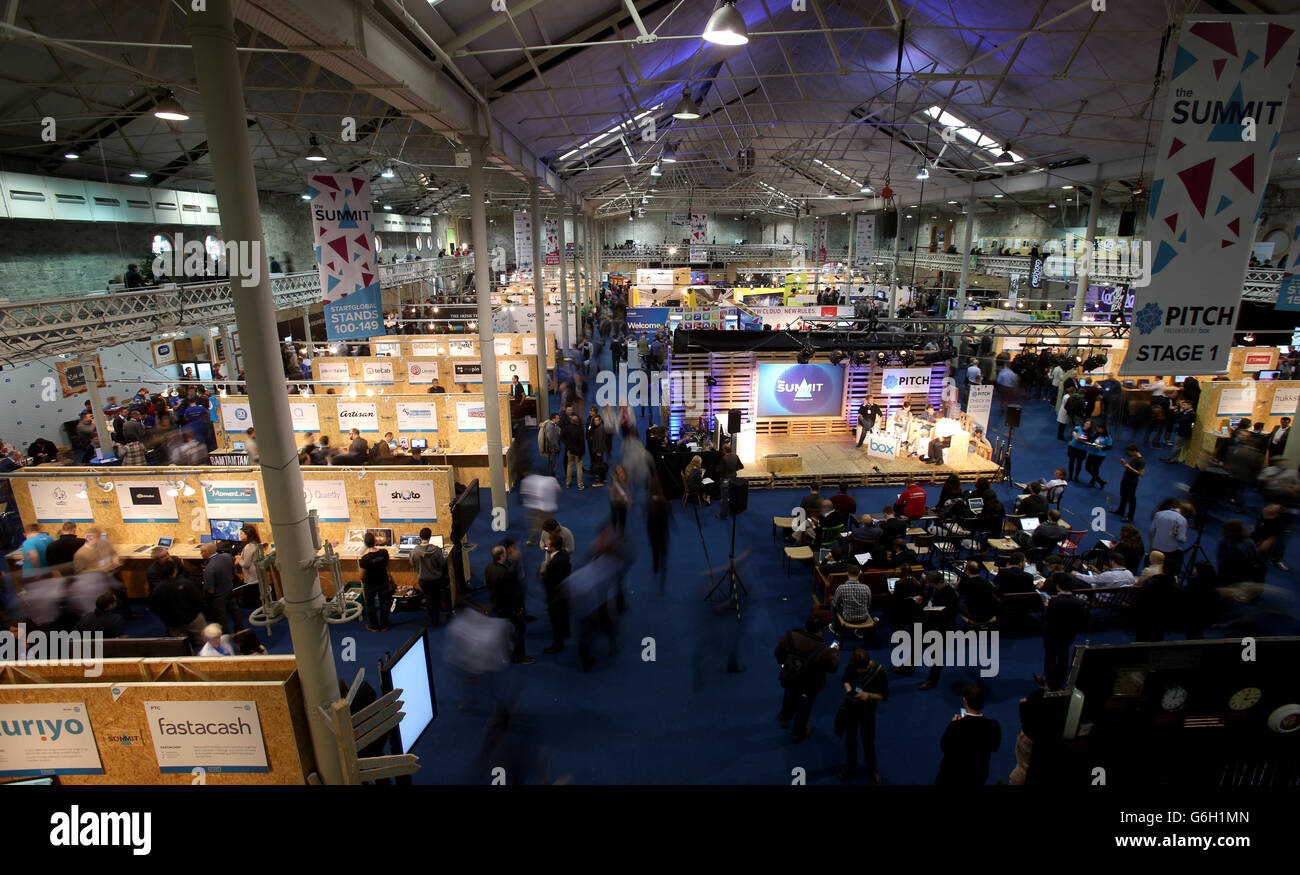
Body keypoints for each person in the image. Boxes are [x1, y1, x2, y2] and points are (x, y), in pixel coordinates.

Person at [774, 616, 841, 741]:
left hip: (790, 677)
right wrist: (834, 652)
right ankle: (798, 732)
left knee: (789, 696)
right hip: (809, 685)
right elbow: (833, 668)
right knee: (804, 707)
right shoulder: (825, 650)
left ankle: (785, 718)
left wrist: (786, 665)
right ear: (820, 631)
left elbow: (778, 652)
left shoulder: (790, 636)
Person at [837, 649, 888, 782]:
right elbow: (845, 679)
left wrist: (868, 696)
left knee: (868, 742)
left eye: (861, 670)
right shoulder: (852, 666)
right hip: (851, 708)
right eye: (857, 670)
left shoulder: (880, 673)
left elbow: (884, 695)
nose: (858, 672)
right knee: (850, 739)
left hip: (867, 711)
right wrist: (849, 690)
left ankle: (872, 768)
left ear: (867, 665)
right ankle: (850, 765)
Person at [936, 684, 1001, 785]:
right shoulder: (994, 725)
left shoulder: (956, 726)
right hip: (978, 775)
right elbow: (995, 747)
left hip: (952, 775)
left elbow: (944, 746)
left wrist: (952, 724)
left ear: (965, 701)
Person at [486, 545, 532, 664]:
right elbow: (512, 594)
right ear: (502, 556)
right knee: (520, 628)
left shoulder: (488, 568)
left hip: (496, 605)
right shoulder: (506, 574)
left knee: (503, 629)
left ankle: (505, 654)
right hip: (508, 607)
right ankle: (519, 656)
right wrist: (519, 609)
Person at [148, 566, 207, 648]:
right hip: (193, 619)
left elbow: (155, 607)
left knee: (182, 647)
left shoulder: (157, 589)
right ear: (175, 571)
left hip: (173, 623)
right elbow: (199, 601)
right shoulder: (187, 584)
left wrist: (166, 619)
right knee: (204, 643)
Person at [200, 541, 242, 634]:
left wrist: (208, 599)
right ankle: (240, 630)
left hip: (218, 597)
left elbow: (209, 589)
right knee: (235, 611)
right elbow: (233, 572)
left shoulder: (209, 568)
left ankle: (226, 637)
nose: (201, 554)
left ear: (207, 553)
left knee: (221, 618)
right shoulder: (227, 556)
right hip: (229, 589)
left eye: (202, 552)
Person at [410, 527, 449, 627]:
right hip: (435, 580)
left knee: (429, 598)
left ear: (420, 537)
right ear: (430, 537)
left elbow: (412, 563)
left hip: (423, 581)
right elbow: (442, 563)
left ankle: (432, 617)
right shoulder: (436, 550)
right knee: (434, 599)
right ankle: (435, 621)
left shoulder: (414, 552)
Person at [540, 533, 571, 654]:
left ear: (553, 547)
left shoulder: (553, 564)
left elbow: (548, 581)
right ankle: (566, 633)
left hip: (555, 596)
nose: (546, 547)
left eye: (548, 545)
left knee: (556, 621)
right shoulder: (564, 553)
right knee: (564, 614)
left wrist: (542, 574)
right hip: (565, 590)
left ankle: (558, 645)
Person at [358, 531, 391, 632]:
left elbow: (361, 575)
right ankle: (384, 625)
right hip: (383, 581)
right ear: (376, 540)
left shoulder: (364, 559)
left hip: (370, 584)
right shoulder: (384, 553)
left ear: (365, 544)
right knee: (385, 603)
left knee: (370, 604)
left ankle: (374, 626)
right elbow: (387, 565)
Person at [1149, 498, 1188, 578]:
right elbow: (1180, 538)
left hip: (1156, 547)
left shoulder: (1159, 514)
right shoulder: (1182, 519)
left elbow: (1152, 531)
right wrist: (1184, 538)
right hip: (1171, 551)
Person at [521, 470, 561, 546]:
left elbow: (532, 495)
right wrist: (554, 499)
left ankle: (535, 540)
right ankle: (553, 540)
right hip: (550, 507)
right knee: (549, 525)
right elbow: (559, 490)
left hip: (539, 508)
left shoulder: (528, 481)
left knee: (538, 525)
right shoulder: (552, 480)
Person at [1216, 519, 1260, 586]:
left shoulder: (1223, 541)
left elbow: (1221, 562)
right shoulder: (1250, 543)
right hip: (1243, 576)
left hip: (1232, 575)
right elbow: (1255, 559)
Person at [1252, 503, 1291, 574]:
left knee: (1263, 555)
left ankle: (1261, 565)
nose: (1268, 509)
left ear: (1276, 514)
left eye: (1271, 509)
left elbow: (1273, 538)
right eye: (1269, 507)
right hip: (1259, 535)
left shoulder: (1278, 524)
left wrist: (1267, 542)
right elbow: (1257, 529)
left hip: (1268, 538)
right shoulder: (1264, 513)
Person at [830, 566, 872, 631]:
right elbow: (868, 605)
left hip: (848, 618)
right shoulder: (866, 588)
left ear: (847, 573)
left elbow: (836, 603)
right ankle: (860, 632)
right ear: (859, 574)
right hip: (864, 618)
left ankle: (835, 628)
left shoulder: (841, 588)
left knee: (832, 603)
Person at [1112, 444, 1145, 523]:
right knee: (1123, 495)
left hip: (1132, 481)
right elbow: (1128, 467)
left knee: (1131, 499)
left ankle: (1130, 516)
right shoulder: (1134, 457)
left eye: (1129, 452)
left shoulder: (1141, 461)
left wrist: (1128, 466)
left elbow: (1141, 474)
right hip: (1126, 479)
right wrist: (1124, 464)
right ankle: (1121, 510)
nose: (1128, 454)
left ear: (1134, 451)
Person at [1083, 423, 1111, 489]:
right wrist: (1089, 444)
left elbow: (1109, 447)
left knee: (1095, 469)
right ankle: (1100, 481)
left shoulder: (1107, 437)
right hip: (1092, 453)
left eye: (1099, 428)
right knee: (1087, 467)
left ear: (1103, 429)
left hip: (1100, 455)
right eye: (1097, 428)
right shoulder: (1096, 433)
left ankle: (1092, 482)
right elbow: (1091, 440)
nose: (1098, 430)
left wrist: (1101, 447)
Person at [562, 413, 586, 489]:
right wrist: (582, 451)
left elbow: (562, 437)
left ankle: (567, 483)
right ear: (577, 421)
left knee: (569, 466)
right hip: (578, 451)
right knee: (579, 467)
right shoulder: (580, 429)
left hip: (569, 450)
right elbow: (582, 442)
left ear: (571, 421)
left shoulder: (567, 428)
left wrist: (567, 445)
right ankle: (580, 485)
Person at [538, 412, 563, 481]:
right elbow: (551, 439)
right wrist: (557, 447)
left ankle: (551, 477)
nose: (559, 419)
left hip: (552, 448)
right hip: (552, 449)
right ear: (553, 419)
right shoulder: (550, 426)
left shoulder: (552, 425)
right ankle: (552, 478)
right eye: (557, 418)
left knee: (552, 463)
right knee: (552, 464)